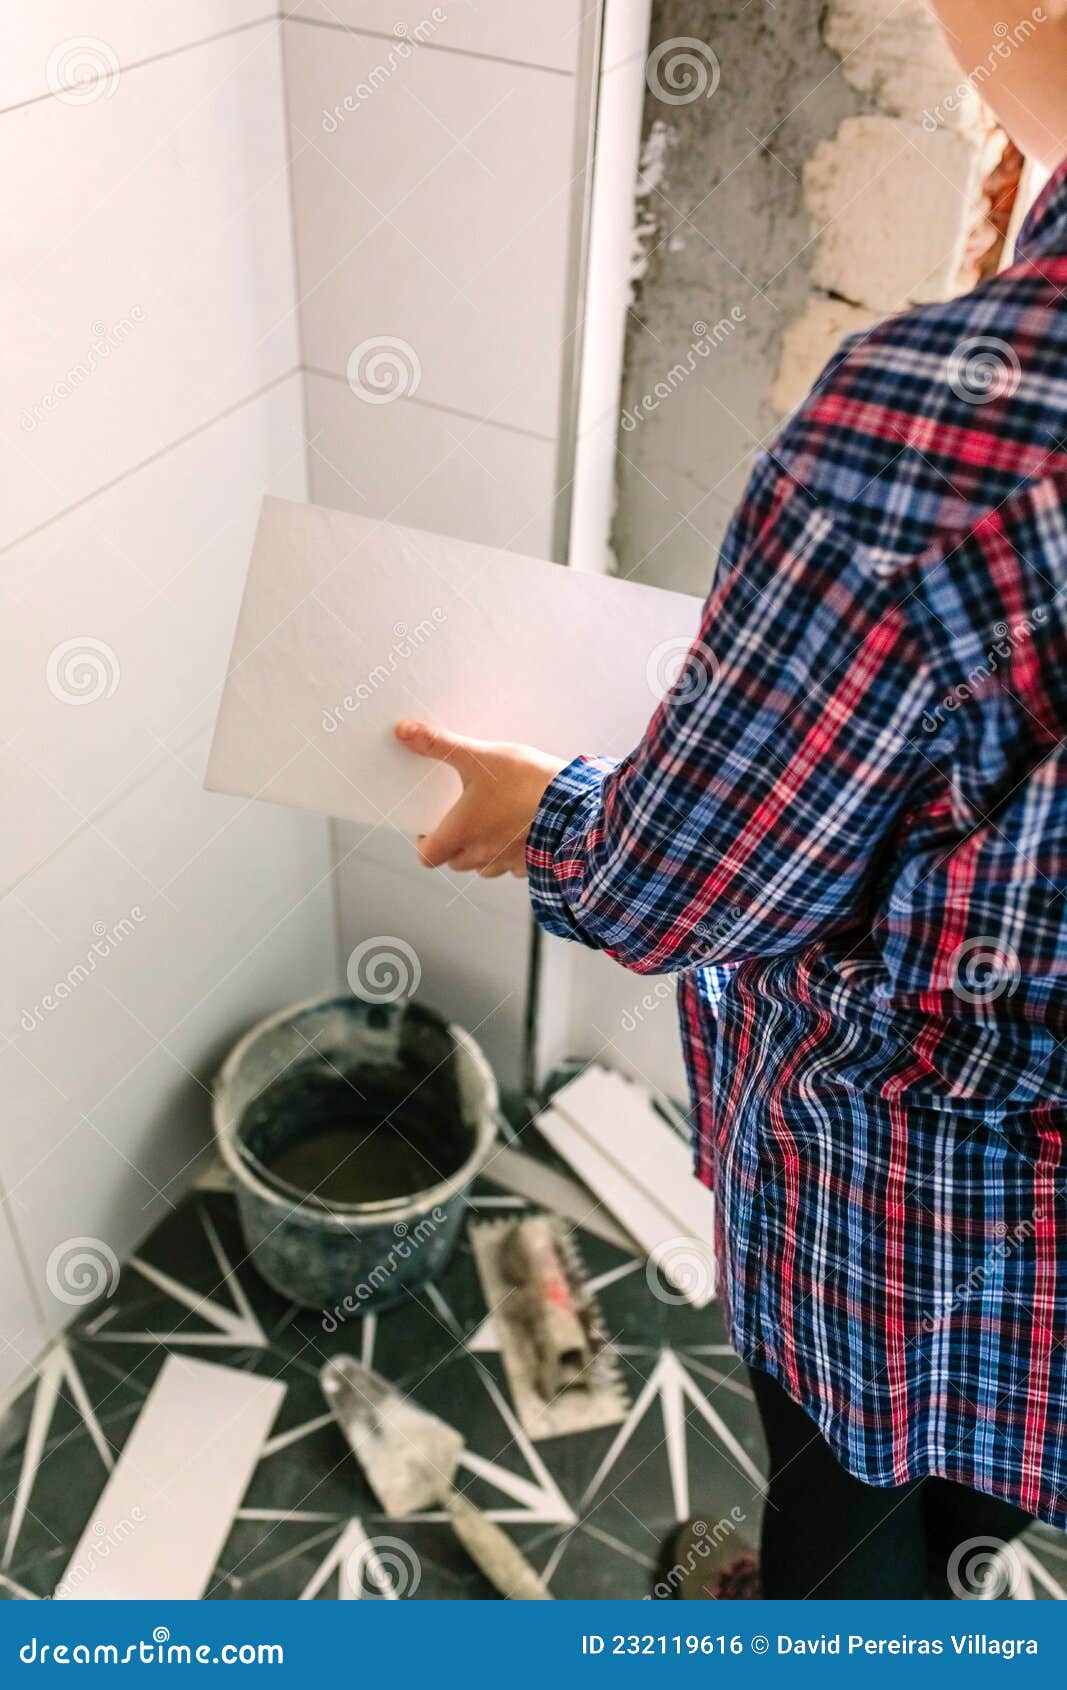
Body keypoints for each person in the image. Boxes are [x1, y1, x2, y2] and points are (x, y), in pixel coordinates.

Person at [395, 0, 1067, 1599]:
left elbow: (673, 886)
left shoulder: (949, 440)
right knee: (989, 1458)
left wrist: (544, 812)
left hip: (922, 1219)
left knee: (855, 1481)